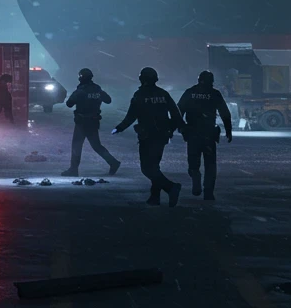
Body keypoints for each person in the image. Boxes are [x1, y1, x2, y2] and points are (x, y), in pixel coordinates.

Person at [112, 67, 183, 206]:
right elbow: (176, 114)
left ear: (141, 79)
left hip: (147, 137)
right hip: (161, 136)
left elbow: (131, 116)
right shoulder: (163, 94)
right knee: (155, 167)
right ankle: (154, 197)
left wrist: (119, 128)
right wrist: (172, 129)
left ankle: (171, 187)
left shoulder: (139, 95)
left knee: (147, 169)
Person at [177, 70, 234, 201]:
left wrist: (180, 127)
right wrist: (228, 131)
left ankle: (195, 177)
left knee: (193, 162)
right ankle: (208, 192)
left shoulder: (190, 92)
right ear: (211, 82)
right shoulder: (214, 94)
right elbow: (225, 113)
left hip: (192, 134)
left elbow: (178, 111)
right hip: (209, 134)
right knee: (210, 166)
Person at [61, 68, 120, 177]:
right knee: (96, 146)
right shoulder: (97, 90)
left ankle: (73, 170)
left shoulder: (81, 91)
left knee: (76, 146)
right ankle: (113, 162)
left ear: (81, 77)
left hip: (82, 122)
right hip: (93, 121)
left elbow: (69, 103)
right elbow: (108, 100)